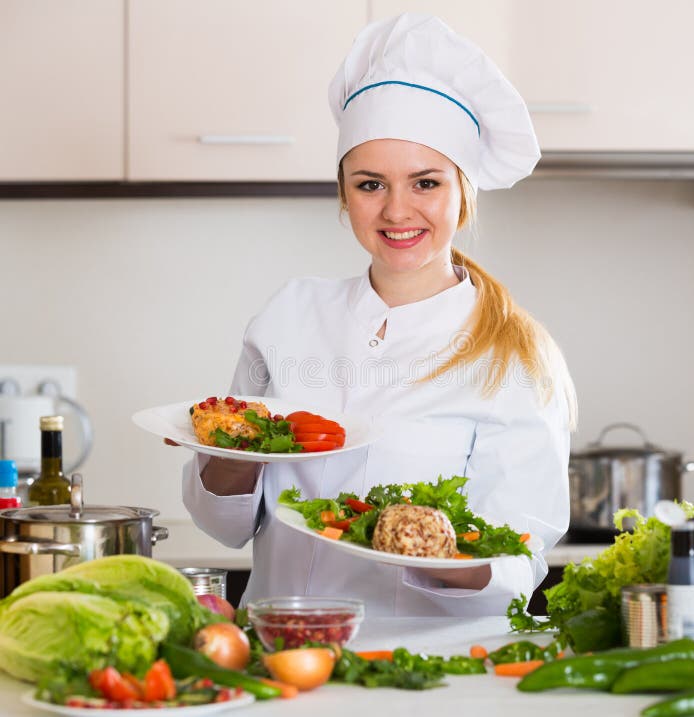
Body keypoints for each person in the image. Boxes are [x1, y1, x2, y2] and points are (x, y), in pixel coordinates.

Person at [182, 13, 577, 617]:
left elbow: (519, 559)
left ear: (463, 193)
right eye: (370, 185)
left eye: (425, 183)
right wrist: (238, 454)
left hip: (433, 660)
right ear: (344, 194)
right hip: (284, 649)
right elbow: (221, 523)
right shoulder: (289, 316)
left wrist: (431, 547)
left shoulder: (514, 356)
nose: (396, 211)